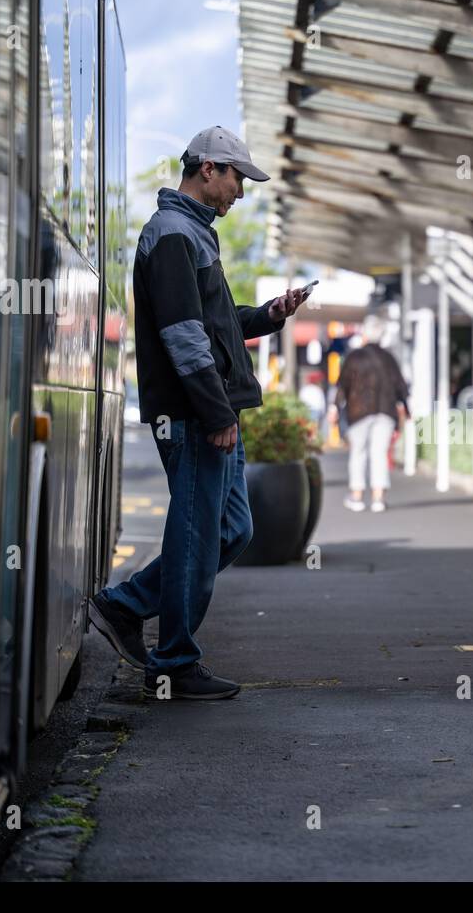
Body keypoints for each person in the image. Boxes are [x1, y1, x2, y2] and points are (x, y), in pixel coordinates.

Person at [86, 126, 310, 700]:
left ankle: (127, 604)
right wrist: (215, 414)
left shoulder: (192, 234)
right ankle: (174, 663)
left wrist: (268, 315)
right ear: (208, 168)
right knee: (197, 535)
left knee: (230, 530)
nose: (241, 191)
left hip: (207, 411)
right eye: (238, 178)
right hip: (192, 416)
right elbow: (185, 338)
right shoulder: (171, 234)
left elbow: (212, 324)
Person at [329, 316, 408, 513]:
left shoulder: (354, 357)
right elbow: (400, 385)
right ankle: (378, 498)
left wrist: (335, 408)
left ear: (365, 333)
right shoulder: (389, 358)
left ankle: (356, 497)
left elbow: (343, 385)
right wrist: (406, 407)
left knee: (358, 452)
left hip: (359, 412)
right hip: (385, 411)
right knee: (379, 453)